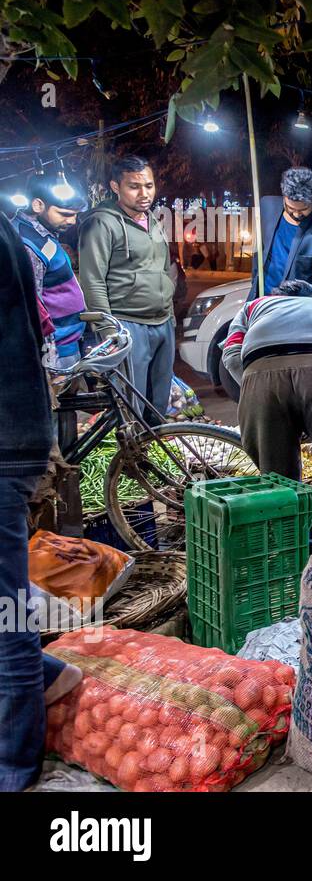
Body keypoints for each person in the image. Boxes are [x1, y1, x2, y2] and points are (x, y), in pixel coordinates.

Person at [0, 216, 82, 792]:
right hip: (18, 427)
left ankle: (12, 768)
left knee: (4, 613)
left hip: (5, 435)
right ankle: (48, 671)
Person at [221, 281, 312, 490]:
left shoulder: (254, 306)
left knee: (279, 482)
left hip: (260, 377)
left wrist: (252, 388)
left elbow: (231, 356)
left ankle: (288, 517)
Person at [77, 155, 175, 425]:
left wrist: (171, 316)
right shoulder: (101, 223)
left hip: (162, 322)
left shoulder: (153, 220)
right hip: (127, 324)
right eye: (134, 186)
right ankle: (127, 462)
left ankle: (152, 455)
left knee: (158, 405)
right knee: (130, 406)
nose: (144, 194)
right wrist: (110, 333)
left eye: (149, 185)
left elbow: (164, 269)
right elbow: (92, 280)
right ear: (115, 187)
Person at [10, 171, 89, 366]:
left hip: (67, 343)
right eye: (65, 214)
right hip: (56, 350)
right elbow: (34, 308)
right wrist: (49, 362)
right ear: (38, 205)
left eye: (76, 215)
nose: (72, 221)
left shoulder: (41, 234)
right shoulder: (29, 245)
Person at [247, 168, 312, 312]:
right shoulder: (266, 206)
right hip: (259, 304)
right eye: (291, 208)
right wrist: (255, 281)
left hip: (295, 312)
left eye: (304, 209)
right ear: (284, 196)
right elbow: (258, 251)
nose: (297, 214)